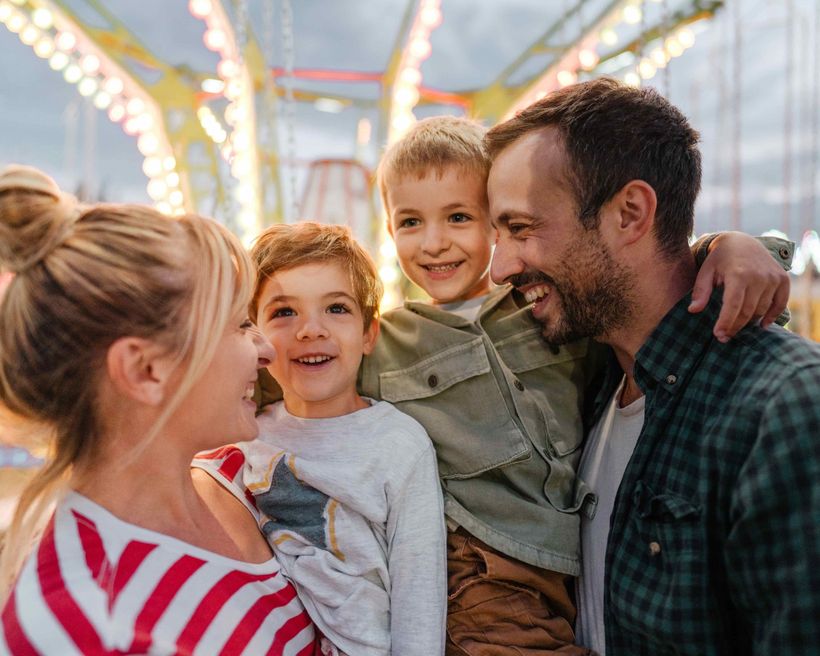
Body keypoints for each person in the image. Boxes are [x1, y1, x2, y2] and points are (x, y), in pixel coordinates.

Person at [356, 116, 790, 654]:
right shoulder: (387, 341)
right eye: (410, 222)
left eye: (460, 217)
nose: (434, 243)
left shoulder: (552, 311)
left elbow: (643, 286)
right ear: (389, 229)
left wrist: (727, 246)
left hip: (559, 570)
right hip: (479, 569)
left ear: (495, 222)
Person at [486, 77, 820, 656]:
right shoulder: (584, 373)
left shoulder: (784, 405)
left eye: (520, 228)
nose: (499, 267)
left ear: (630, 213)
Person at [0, 165, 319, 655]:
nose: (266, 350)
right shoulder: (74, 627)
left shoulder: (248, 477)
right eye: (238, 326)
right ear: (145, 370)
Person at [198, 221, 446, 656]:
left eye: (336, 308)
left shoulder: (399, 445)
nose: (310, 330)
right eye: (284, 312)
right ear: (255, 335)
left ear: (369, 334)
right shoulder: (245, 435)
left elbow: (419, 592)